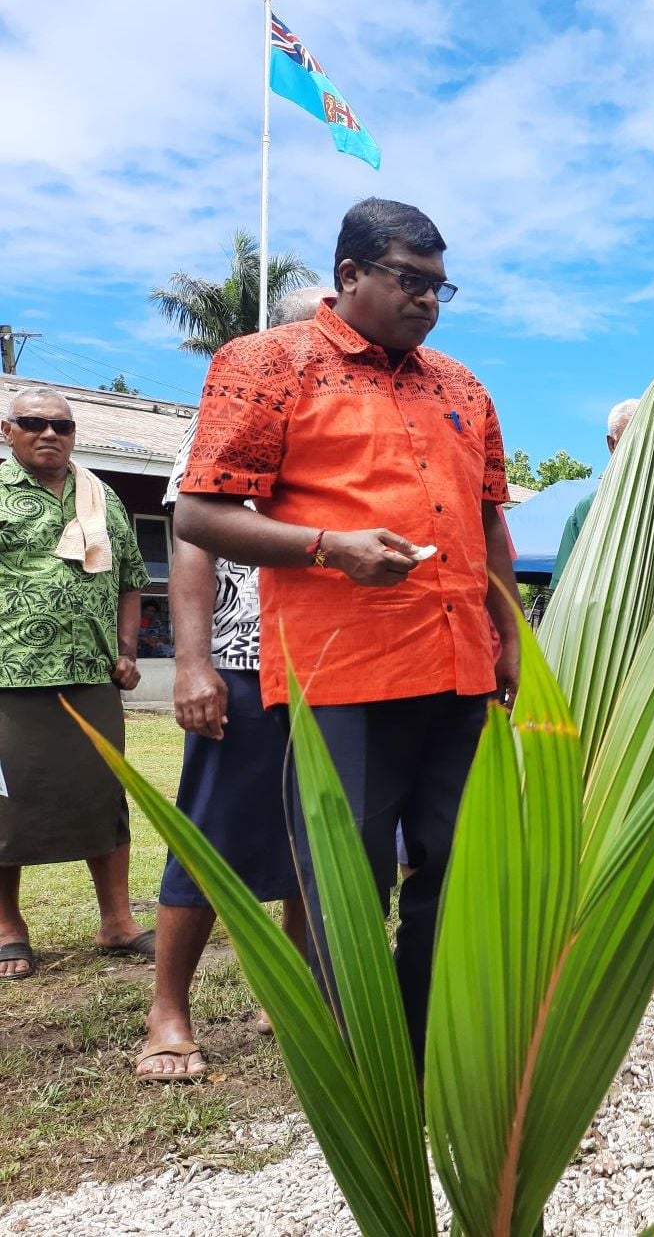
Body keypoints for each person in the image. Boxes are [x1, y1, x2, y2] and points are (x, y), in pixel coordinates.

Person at [175, 198, 520, 1065]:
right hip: (343, 679)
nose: (428, 301)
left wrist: (510, 633)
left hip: (461, 670)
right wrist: (330, 548)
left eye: (441, 287)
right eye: (411, 281)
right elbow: (201, 515)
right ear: (349, 276)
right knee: (345, 885)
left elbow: (488, 523)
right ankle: (362, 1065)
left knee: (461, 867)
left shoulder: (461, 385)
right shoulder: (268, 364)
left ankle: (432, 1040)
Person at [133, 288, 333, 1080]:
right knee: (212, 831)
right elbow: (190, 544)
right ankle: (168, 1011)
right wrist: (192, 663)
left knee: (320, 835)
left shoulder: (341, 408)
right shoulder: (237, 400)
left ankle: (292, 991)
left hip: (332, 658)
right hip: (245, 657)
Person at [0, 388, 152, 980]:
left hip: (91, 673)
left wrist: (126, 648)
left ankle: (117, 921)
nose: (49, 434)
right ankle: (9, 926)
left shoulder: (101, 495)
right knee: (7, 804)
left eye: (61, 425)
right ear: (7, 431)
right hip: (10, 674)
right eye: (34, 423)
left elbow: (131, 579)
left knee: (104, 798)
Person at [551, 398, 639, 584]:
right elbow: (562, 585)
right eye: (631, 440)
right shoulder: (588, 509)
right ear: (612, 444)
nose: (641, 449)